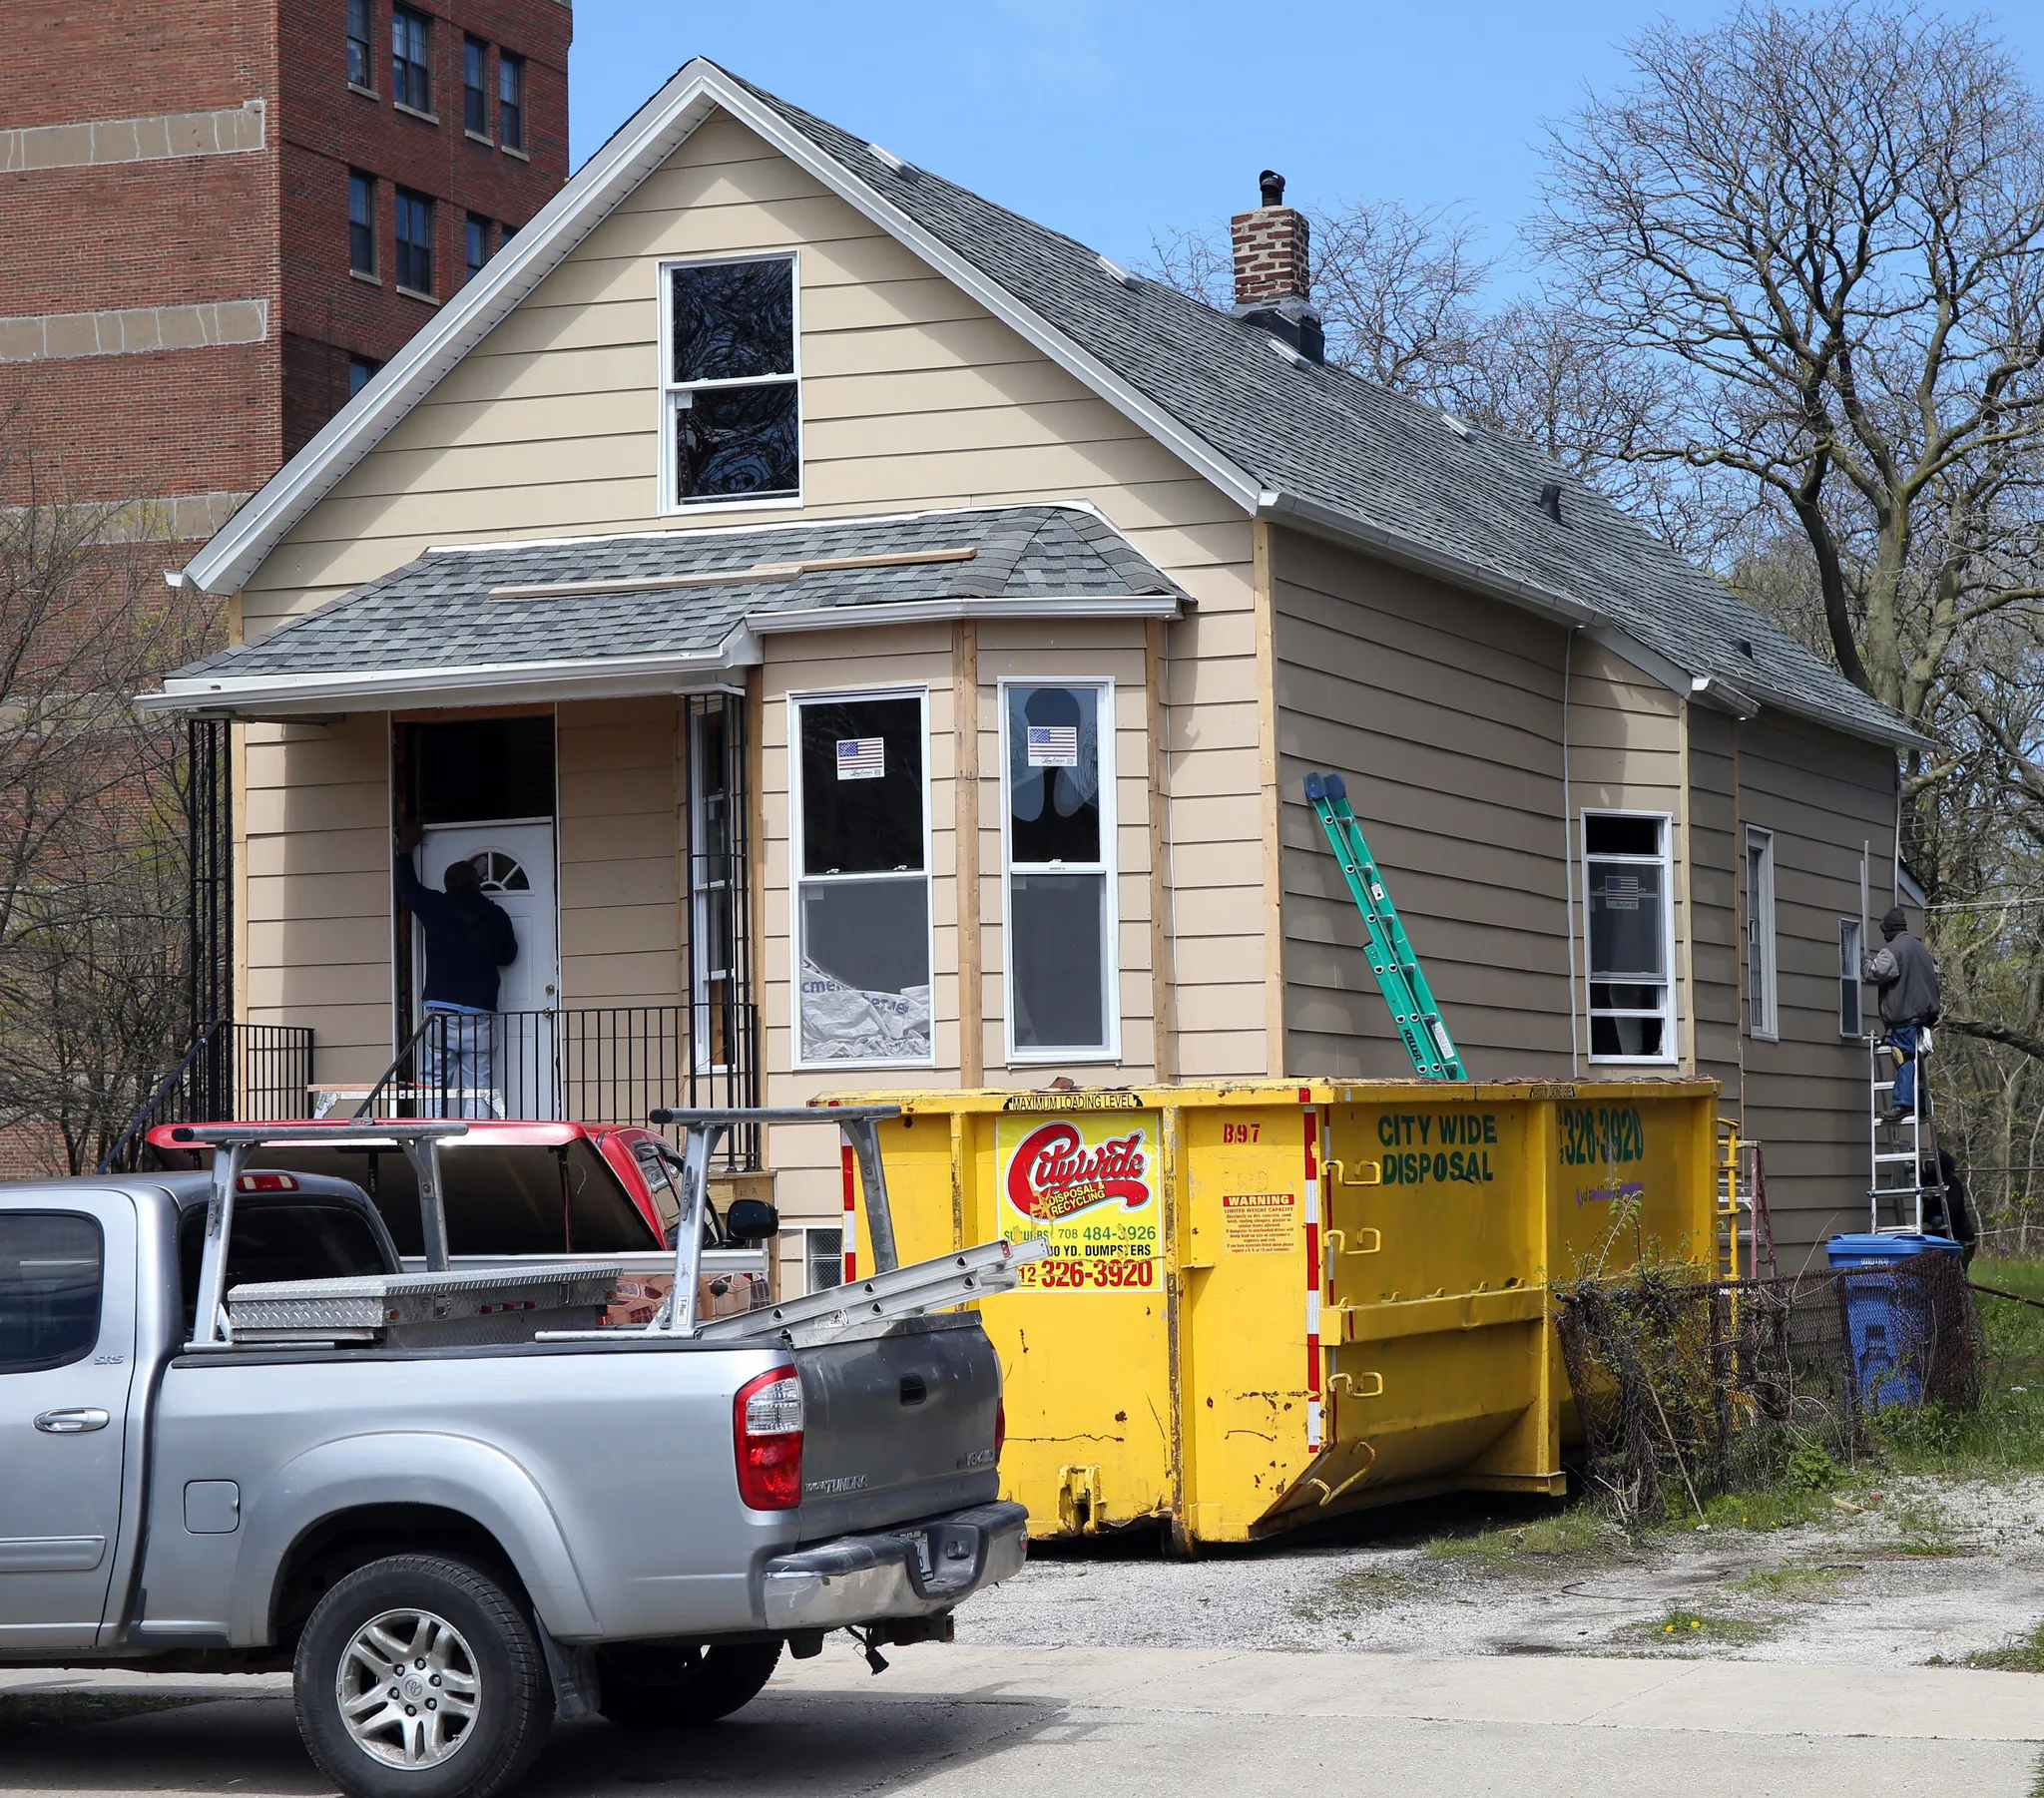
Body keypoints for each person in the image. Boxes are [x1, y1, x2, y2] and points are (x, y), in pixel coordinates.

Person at [395, 823, 519, 1117]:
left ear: (447, 885)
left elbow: (408, 888)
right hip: (480, 1012)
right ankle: (475, 1143)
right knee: (479, 1086)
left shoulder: (435, 906)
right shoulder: (495, 915)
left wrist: (404, 850)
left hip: (440, 1013)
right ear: (477, 884)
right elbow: (508, 955)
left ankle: (431, 1142)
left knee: (433, 1085)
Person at [1863, 906, 1940, 1124]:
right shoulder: (1921, 949)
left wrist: (1866, 964)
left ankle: (1903, 1103)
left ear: (1889, 931)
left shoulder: (1894, 950)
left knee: (1903, 1057)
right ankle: (1922, 1104)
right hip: (1924, 1017)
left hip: (1905, 1017)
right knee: (1917, 1059)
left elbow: (1877, 973)